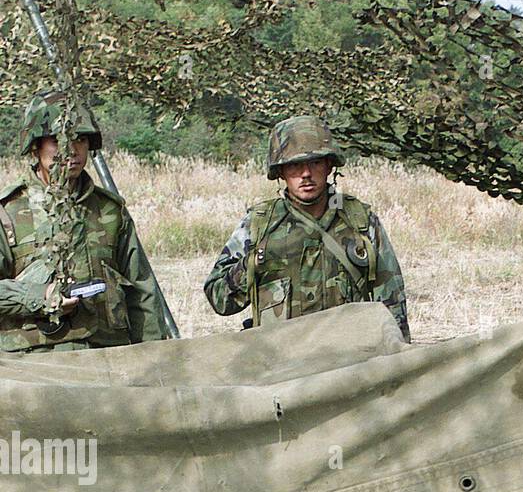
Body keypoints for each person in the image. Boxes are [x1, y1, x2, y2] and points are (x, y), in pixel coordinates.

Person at [204, 115, 410, 340]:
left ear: (329, 165)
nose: (305, 174)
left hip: (347, 359)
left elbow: (392, 304)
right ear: (280, 171)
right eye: (294, 165)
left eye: (315, 162)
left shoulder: (359, 221)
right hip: (281, 361)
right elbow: (219, 299)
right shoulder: (258, 224)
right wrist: (253, 264)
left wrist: (398, 361)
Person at [0, 90, 167, 352]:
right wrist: (39, 296)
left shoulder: (110, 211)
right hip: (34, 366)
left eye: (80, 140)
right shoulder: (7, 213)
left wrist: (155, 359)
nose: (72, 150)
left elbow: (142, 294)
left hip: (109, 358)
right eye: (58, 140)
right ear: (35, 147)